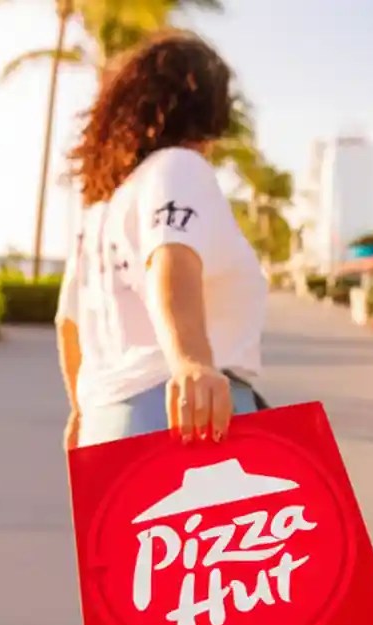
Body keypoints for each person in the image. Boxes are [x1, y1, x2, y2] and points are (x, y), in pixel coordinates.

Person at [56, 31, 267, 451]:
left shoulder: (104, 209)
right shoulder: (178, 167)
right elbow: (171, 259)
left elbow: (69, 323)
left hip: (106, 427)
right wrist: (191, 361)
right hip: (184, 418)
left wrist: (80, 413)